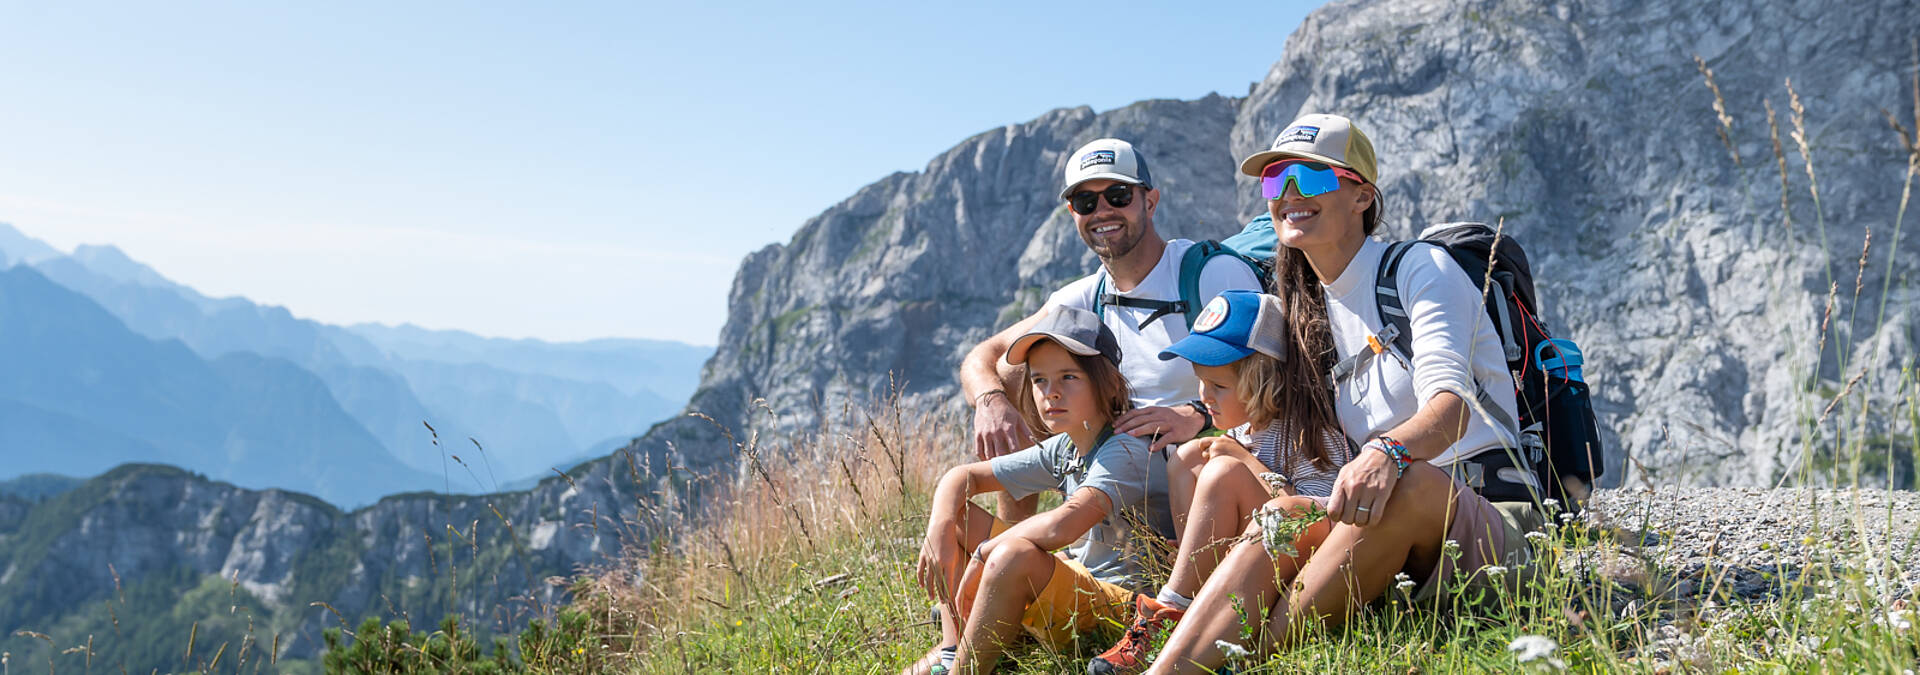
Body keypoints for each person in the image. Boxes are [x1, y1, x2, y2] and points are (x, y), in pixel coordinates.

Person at [1144, 114, 1542, 673]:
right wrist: (1196, 418)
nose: (1288, 194)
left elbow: (1454, 408)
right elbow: (1256, 400)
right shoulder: (1308, 311)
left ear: (1362, 197)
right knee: (1283, 514)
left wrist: (1388, 449)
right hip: (1384, 535)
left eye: (1312, 179)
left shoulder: (1421, 270)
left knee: (1406, 482)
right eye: (1275, 179)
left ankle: (1244, 662)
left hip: (1490, 521)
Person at [960, 138, 1264, 524]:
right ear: (1073, 214)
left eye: (1118, 195)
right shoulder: (1085, 296)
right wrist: (991, 403)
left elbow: (1273, 376)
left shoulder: (1207, 273)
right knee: (1014, 370)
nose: (1102, 211)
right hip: (1123, 461)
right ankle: (1018, 542)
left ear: (1150, 201)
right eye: (1086, 202)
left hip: (1208, 461)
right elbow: (983, 357)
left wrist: (1196, 414)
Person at [1088, 290, 1354, 674]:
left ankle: (1174, 610)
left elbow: (1321, 522)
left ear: (1266, 381)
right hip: (1253, 556)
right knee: (1187, 457)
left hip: (1299, 564)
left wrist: (1240, 459)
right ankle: (1191, 590)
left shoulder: (1310, 433)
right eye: (1200, 381)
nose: (1204, 397)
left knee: (1222, 469)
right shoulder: (1245, 427)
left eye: (1219, 386)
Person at [906, 307, 1156, 675]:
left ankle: (964, 669)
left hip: (1121, 612)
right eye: (1039, 381)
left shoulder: (1126, 448)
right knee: (956, 516)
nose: (1051, 394)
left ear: (1110, 383)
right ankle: (952, 649)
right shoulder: (1067, 446)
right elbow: (962, 477)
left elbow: (1061, 528)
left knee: (1011, 556)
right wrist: (940, 525)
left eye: (1068, 377)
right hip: (1076, 589)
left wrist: (983, 554)